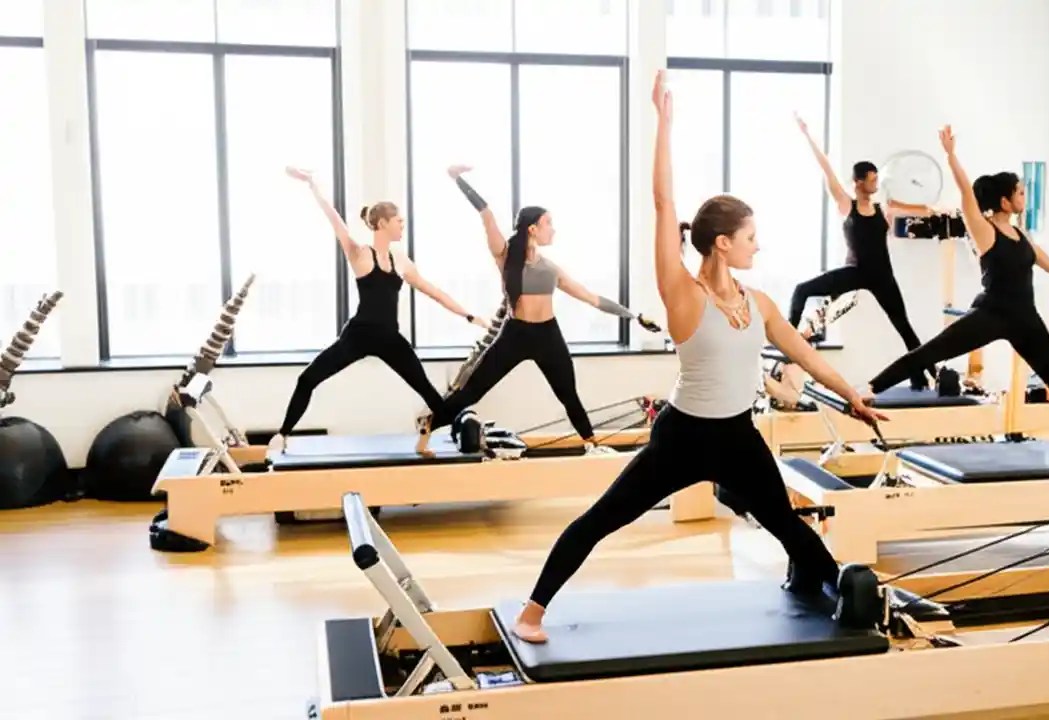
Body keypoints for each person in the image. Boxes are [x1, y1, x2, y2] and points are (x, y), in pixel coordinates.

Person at [508, 70, 889, 643]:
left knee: (785, 522)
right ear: (723, 243)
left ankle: (843, 596)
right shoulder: (683, 294)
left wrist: (852, 396)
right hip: (682, 437)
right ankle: (532, 611)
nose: (759, 245)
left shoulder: (759, 303)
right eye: (751, 237)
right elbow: (664, 202)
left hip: (739, 436)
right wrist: (663, 125)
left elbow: (807, 357)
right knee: (605, 517)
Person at [432, 165, 661, 454]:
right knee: (472, 391)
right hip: (514, 334)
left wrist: (633, 316)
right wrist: (458, 179)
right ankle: (428, 428)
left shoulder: (551, 269)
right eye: (548, 223)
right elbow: (486, 213)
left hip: (547, 335)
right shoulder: (505, 256)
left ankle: (592, 445)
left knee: (568, 395)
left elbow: (591, 297)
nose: (553, 229)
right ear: (532, 228)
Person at [864, 126, 1049, 414]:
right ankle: (870, 388)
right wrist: (951, 155)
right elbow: (966, 193)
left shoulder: (1021, 235)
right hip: (990, 315)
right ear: (1004, 202)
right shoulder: (985, 231)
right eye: (1020, 192)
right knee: (929, 353)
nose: (1024, 196)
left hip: (1025, 318)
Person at [269, 167, 487, 452]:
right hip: (358, 335)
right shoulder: (360, 254)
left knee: (432, 396)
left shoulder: (401, 260)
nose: (402, 225)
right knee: (307, 379)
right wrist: (313, 184)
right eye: (398, 220)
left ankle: (429, 431)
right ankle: (282, 434)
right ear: (382, 223)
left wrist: (469, 315)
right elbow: (334, 219)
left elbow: (433, 291)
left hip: (389, 339)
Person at [787, 113, 938, 389]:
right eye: (871, 180)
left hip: (883, 277)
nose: (876, 184)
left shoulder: (884, 209)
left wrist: (937, 211)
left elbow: (921, 209)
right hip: (855, 272)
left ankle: (928, 376)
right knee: (801, 290)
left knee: (904, 327)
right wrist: (808, 135)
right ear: (858, 182)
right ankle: (790, 344)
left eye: (877, 179)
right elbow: (826, 170)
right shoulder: (847, 205)